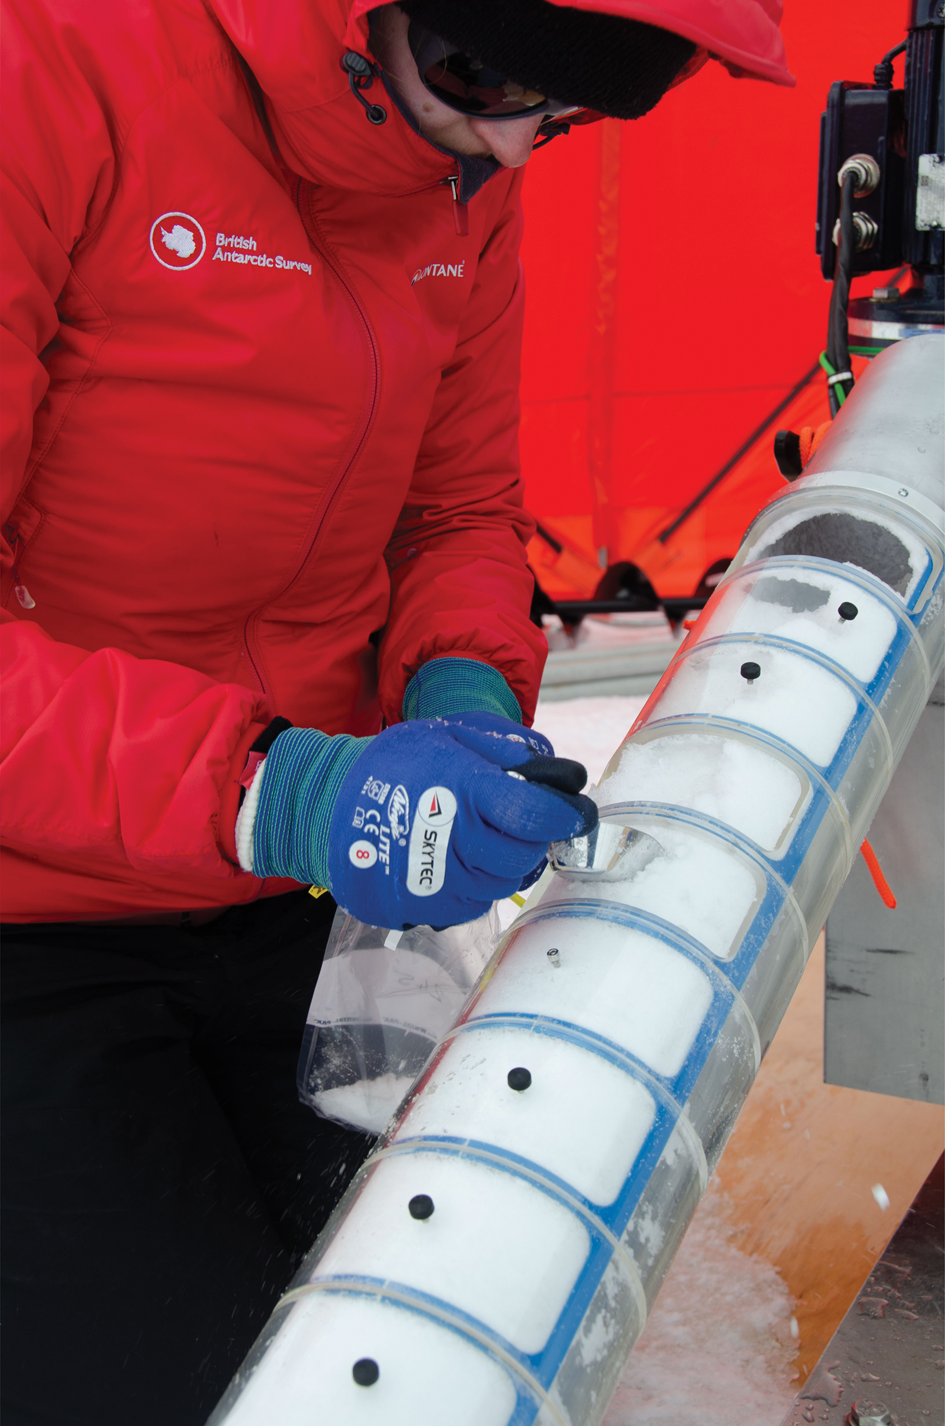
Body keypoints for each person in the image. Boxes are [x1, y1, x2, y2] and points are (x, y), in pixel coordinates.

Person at [0, 1, 792, 1421]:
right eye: (485, 78)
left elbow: (458, 506)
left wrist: (465, 684)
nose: (506, 142)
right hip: (36, 916)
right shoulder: (52, 71)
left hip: (281, 888)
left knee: (455, 1324)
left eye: (563, 118)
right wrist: (284, 786)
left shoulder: (465, 182)